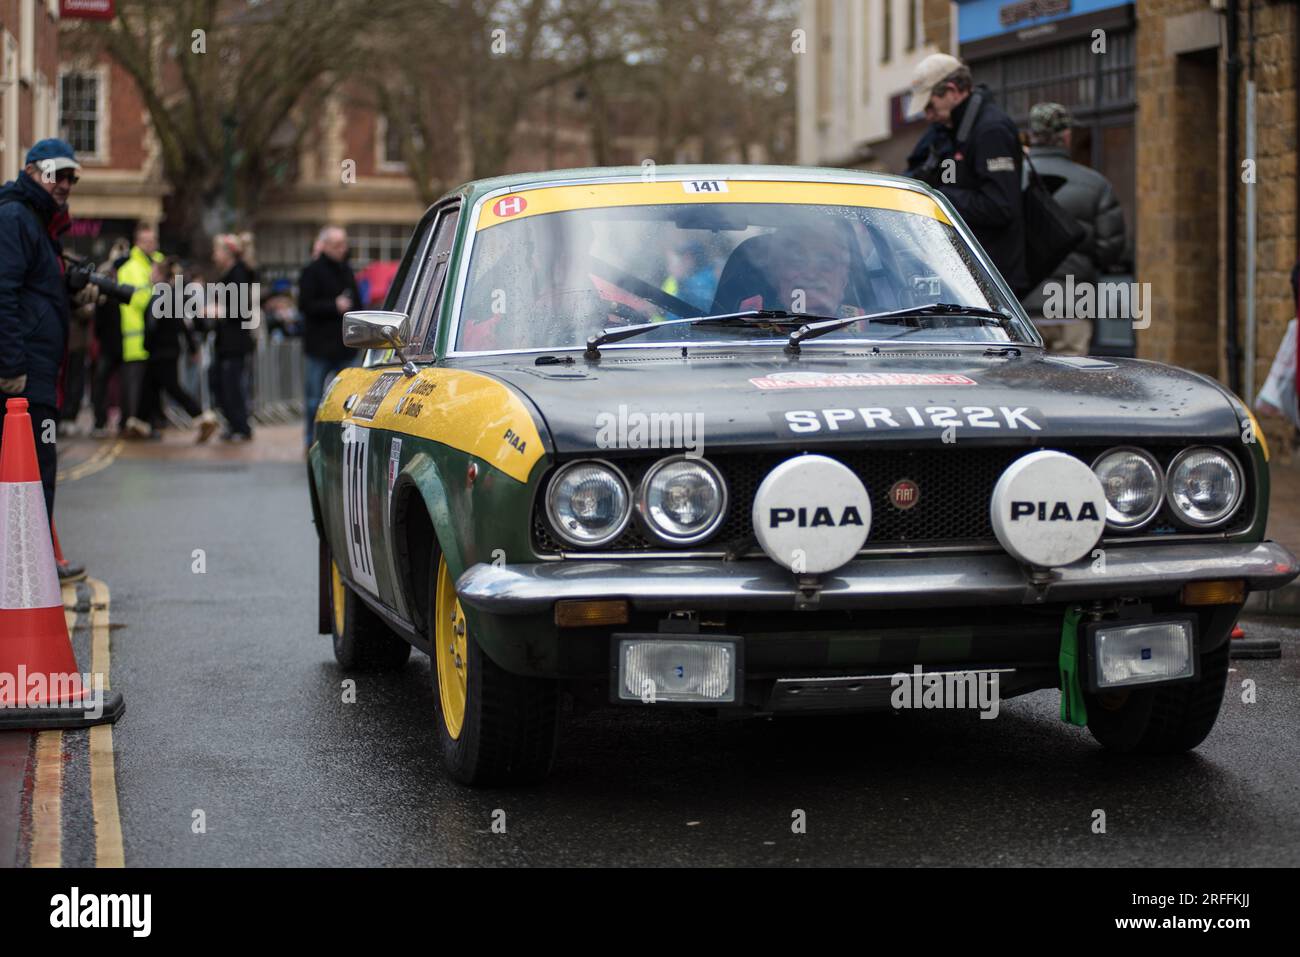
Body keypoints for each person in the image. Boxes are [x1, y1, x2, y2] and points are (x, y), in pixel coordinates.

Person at [0, 138, 85, 578]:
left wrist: (72, 291)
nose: (64, 183)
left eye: (71, 176)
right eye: (56, 174)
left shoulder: (39, 223)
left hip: (40, 375)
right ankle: (29, 565)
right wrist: (11, 367)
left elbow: (35, 289)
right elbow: (4, 293)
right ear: (31, 171)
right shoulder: (16, 217)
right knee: (32, 470)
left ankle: (29, 560)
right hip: (26, 377)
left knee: (38, 469)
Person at [904, 53, 1028, 296]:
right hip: (965, 274)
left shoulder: (991, 130)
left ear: (952, 91)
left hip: (993, 278)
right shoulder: (947, 130)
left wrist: (939, 198)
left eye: (930, 105)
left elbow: (1000, 205)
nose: (928, 115)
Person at [1018, 103, 1127, 355]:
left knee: (1022, 387)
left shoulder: (1013, 180)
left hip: (1020, 305)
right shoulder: (1095, 184)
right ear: (1066, 136)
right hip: (1072, 305)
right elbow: (1110, 249)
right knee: (1070, 386)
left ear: (1032, 136)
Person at [142, 256, 219, 442]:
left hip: (163, 350)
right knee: (149, 388)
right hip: (163, 350)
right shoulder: (168, 294)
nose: (149, 274)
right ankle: (143, 423)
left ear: (160, 274)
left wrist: (193, 348)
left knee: (172, 388)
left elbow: (177, 325)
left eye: (153, 271)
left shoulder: (163, 295)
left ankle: (201, 416)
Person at [299, 225, 360, 446]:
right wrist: (333, 306)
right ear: (324, 245)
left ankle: (342, 441)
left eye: (344, 244)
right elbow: (305, 305)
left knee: (350, 397)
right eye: (336, 245)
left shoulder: (346, 270)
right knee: (314, 398)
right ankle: (311, 440)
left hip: (344, 345)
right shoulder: (312, 271)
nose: (342, 249)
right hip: (319, 346)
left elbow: (357, 303)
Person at [116, 224, 164, 438]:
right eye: (146, 241)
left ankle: (149, 423)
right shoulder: (129, 267)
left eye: (153, 240)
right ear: (137, 242)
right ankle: (132, 424)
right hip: (136, 338)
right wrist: (154, 287)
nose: (150, 244)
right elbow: (133, 299)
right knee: (134, 387)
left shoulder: (160, 262)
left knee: (152, 386)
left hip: (157, 338)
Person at [211, 233, 257, 441]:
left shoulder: (238, 275)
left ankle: (240, 426)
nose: (214, 255)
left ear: (228, 254)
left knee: (232, 386)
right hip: (226, 341)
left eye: (217, 251)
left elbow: (241, 309)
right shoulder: (230, 274)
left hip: (235, 342)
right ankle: (233, 423)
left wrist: (219, 311)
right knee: (220, 383)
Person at [89, 236, 131, 437]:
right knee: (101, 383)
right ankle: (99, 421)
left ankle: (123, 421)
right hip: (108, 341)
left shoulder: (126, 277)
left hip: (122, 341)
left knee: (123, 384)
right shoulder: (106, 277)